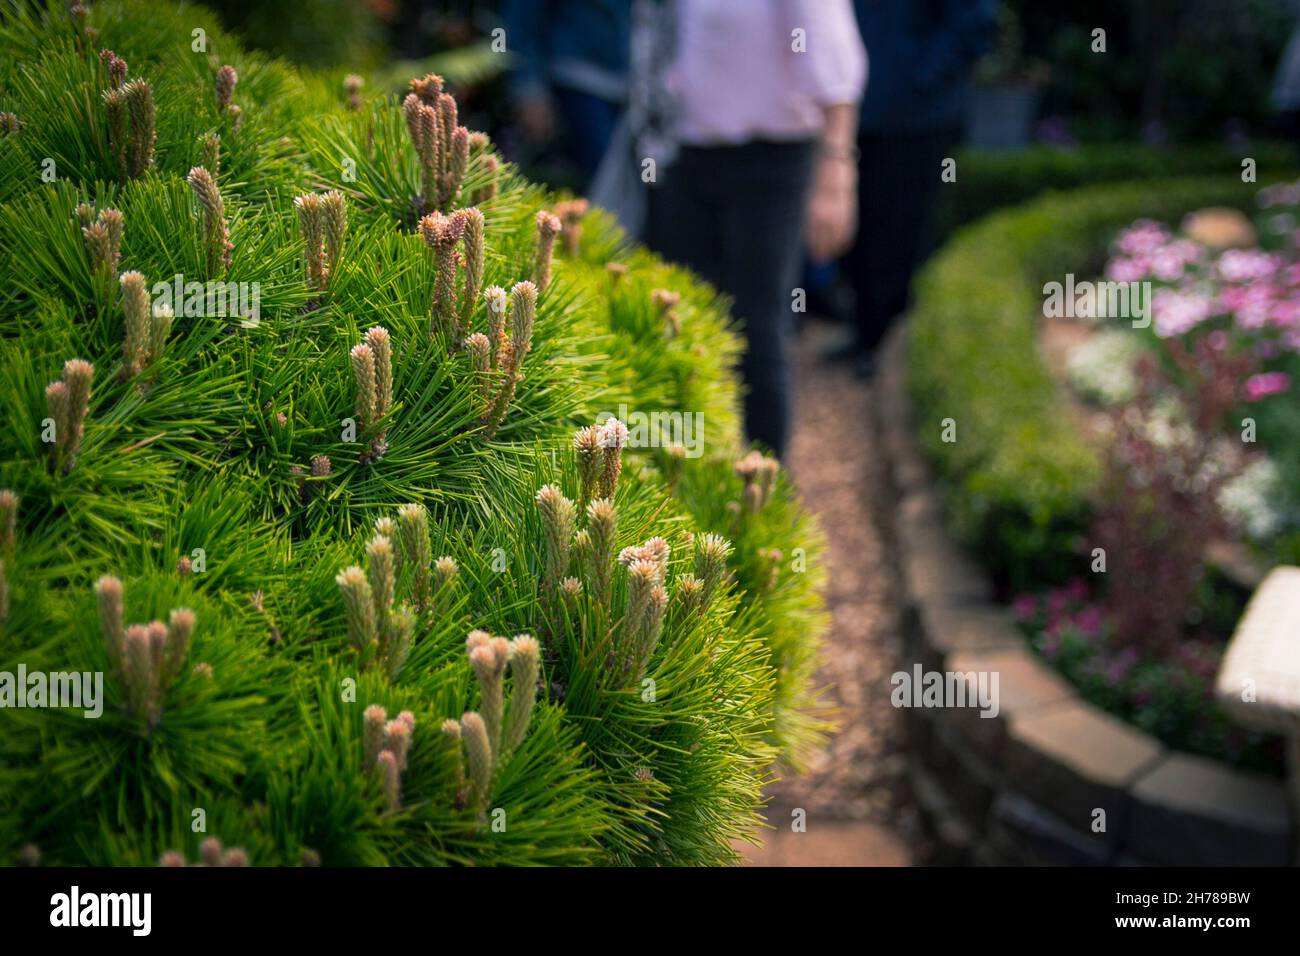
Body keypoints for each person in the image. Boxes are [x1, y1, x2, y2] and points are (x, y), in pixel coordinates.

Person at [643, 0, 866, 459]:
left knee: (757, 332)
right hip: (682, 155)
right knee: (678, 324)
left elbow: (829, 48)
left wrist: (837, 172)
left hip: (771, 160)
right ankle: (684, 479)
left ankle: (767, 497)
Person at [840, 0, 997, 378]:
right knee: (860, 228)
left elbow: (975, 23)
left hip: (917, 120)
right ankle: (864, 332)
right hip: (862, 112)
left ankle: (890, 345)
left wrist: (918, 78)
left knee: (900, 232)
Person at [501, 0, 633, 186]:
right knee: (603, 180)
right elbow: (519, 20)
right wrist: (528, 90)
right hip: (577, 80)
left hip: (634, 86)